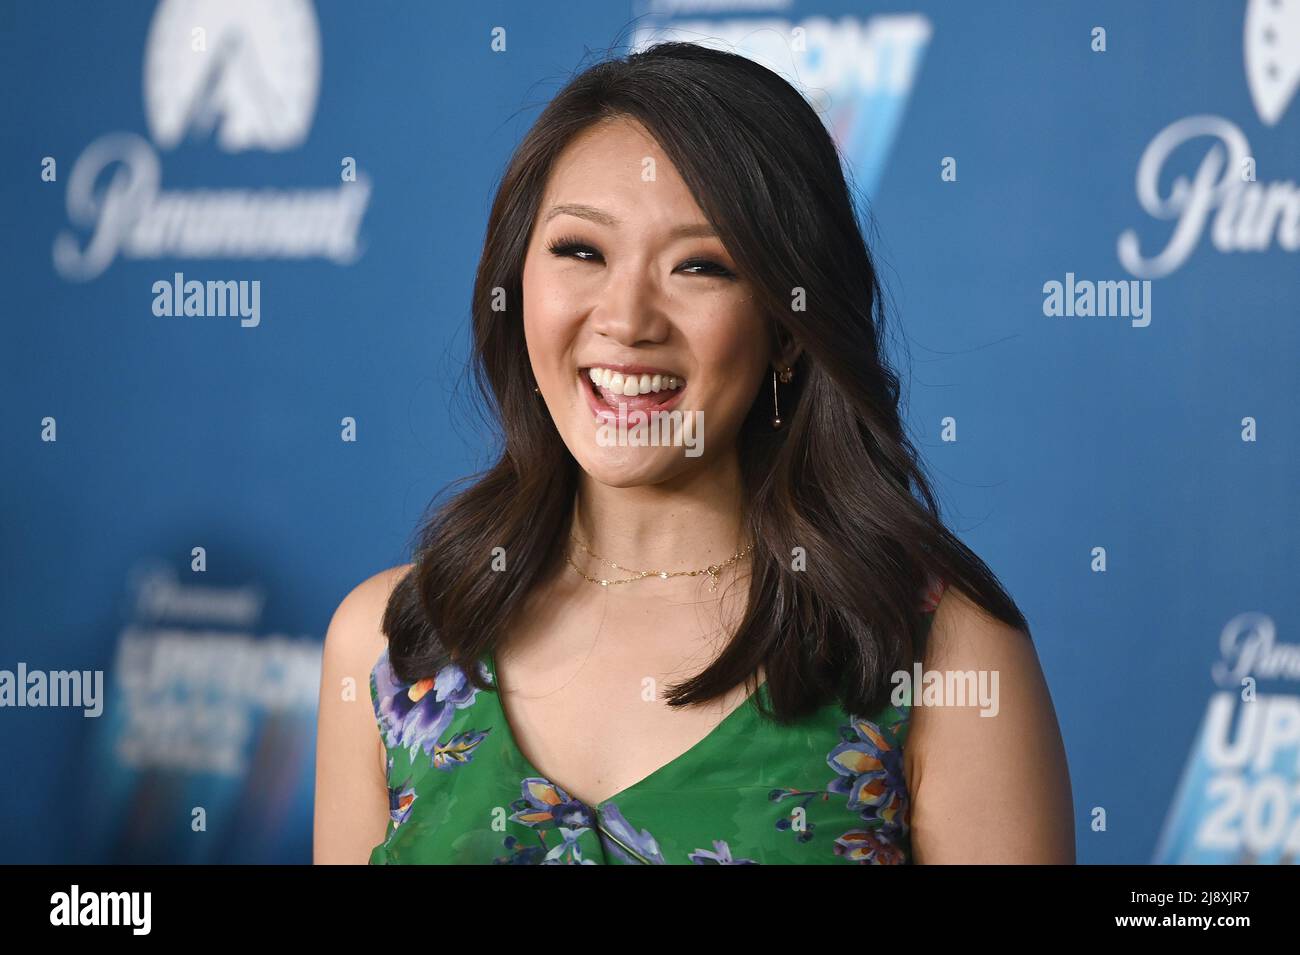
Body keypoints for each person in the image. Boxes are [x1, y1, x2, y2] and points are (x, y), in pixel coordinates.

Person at [314, 41, 1074, 864]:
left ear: (787, 329)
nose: (628, 318)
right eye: (581, 251)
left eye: (700, 265)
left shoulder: (941, 654)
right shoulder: (390, 644)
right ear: (514, 283)